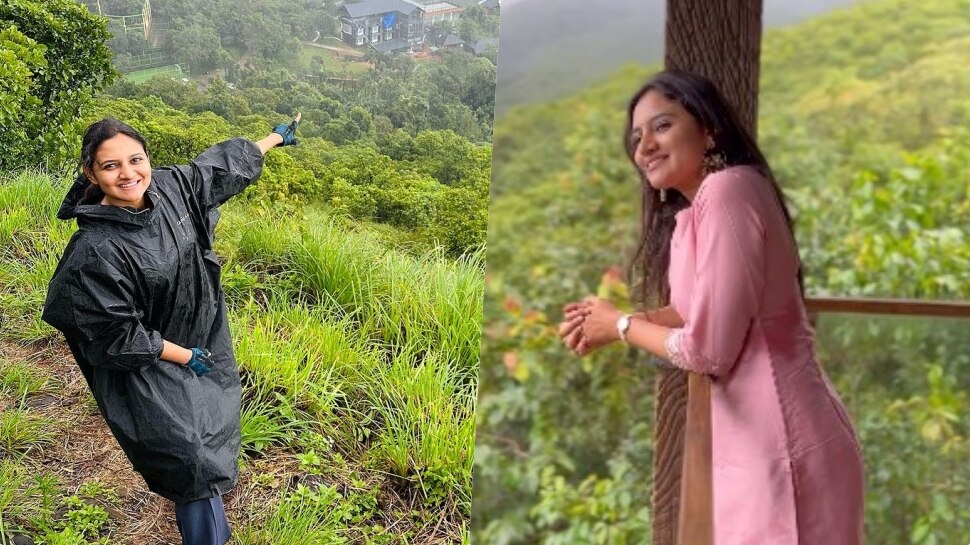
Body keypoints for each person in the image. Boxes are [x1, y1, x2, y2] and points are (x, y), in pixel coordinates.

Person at [557, 70, 864, 544]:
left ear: (709, 129)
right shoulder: (693, 216)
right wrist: (613, 320)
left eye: (662, 126)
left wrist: (619, 325)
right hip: (754, 447)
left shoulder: (728, 192)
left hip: (787, 447)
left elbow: (709, 350)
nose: (644, 147)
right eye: (636, 137)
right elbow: (693, 310)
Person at [42, 114, 300, 545]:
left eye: (135, 159)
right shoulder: (94, 251)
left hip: (201, 332)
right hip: (148, 362)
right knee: (188, 455)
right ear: (91, 173)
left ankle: (211, 518)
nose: (128, 174)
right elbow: (110, 336)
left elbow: (219, 169)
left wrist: (272, 138)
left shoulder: (171, 187)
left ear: (148, 158)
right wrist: (182, 355)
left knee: (212, 427)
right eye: (111, 166)